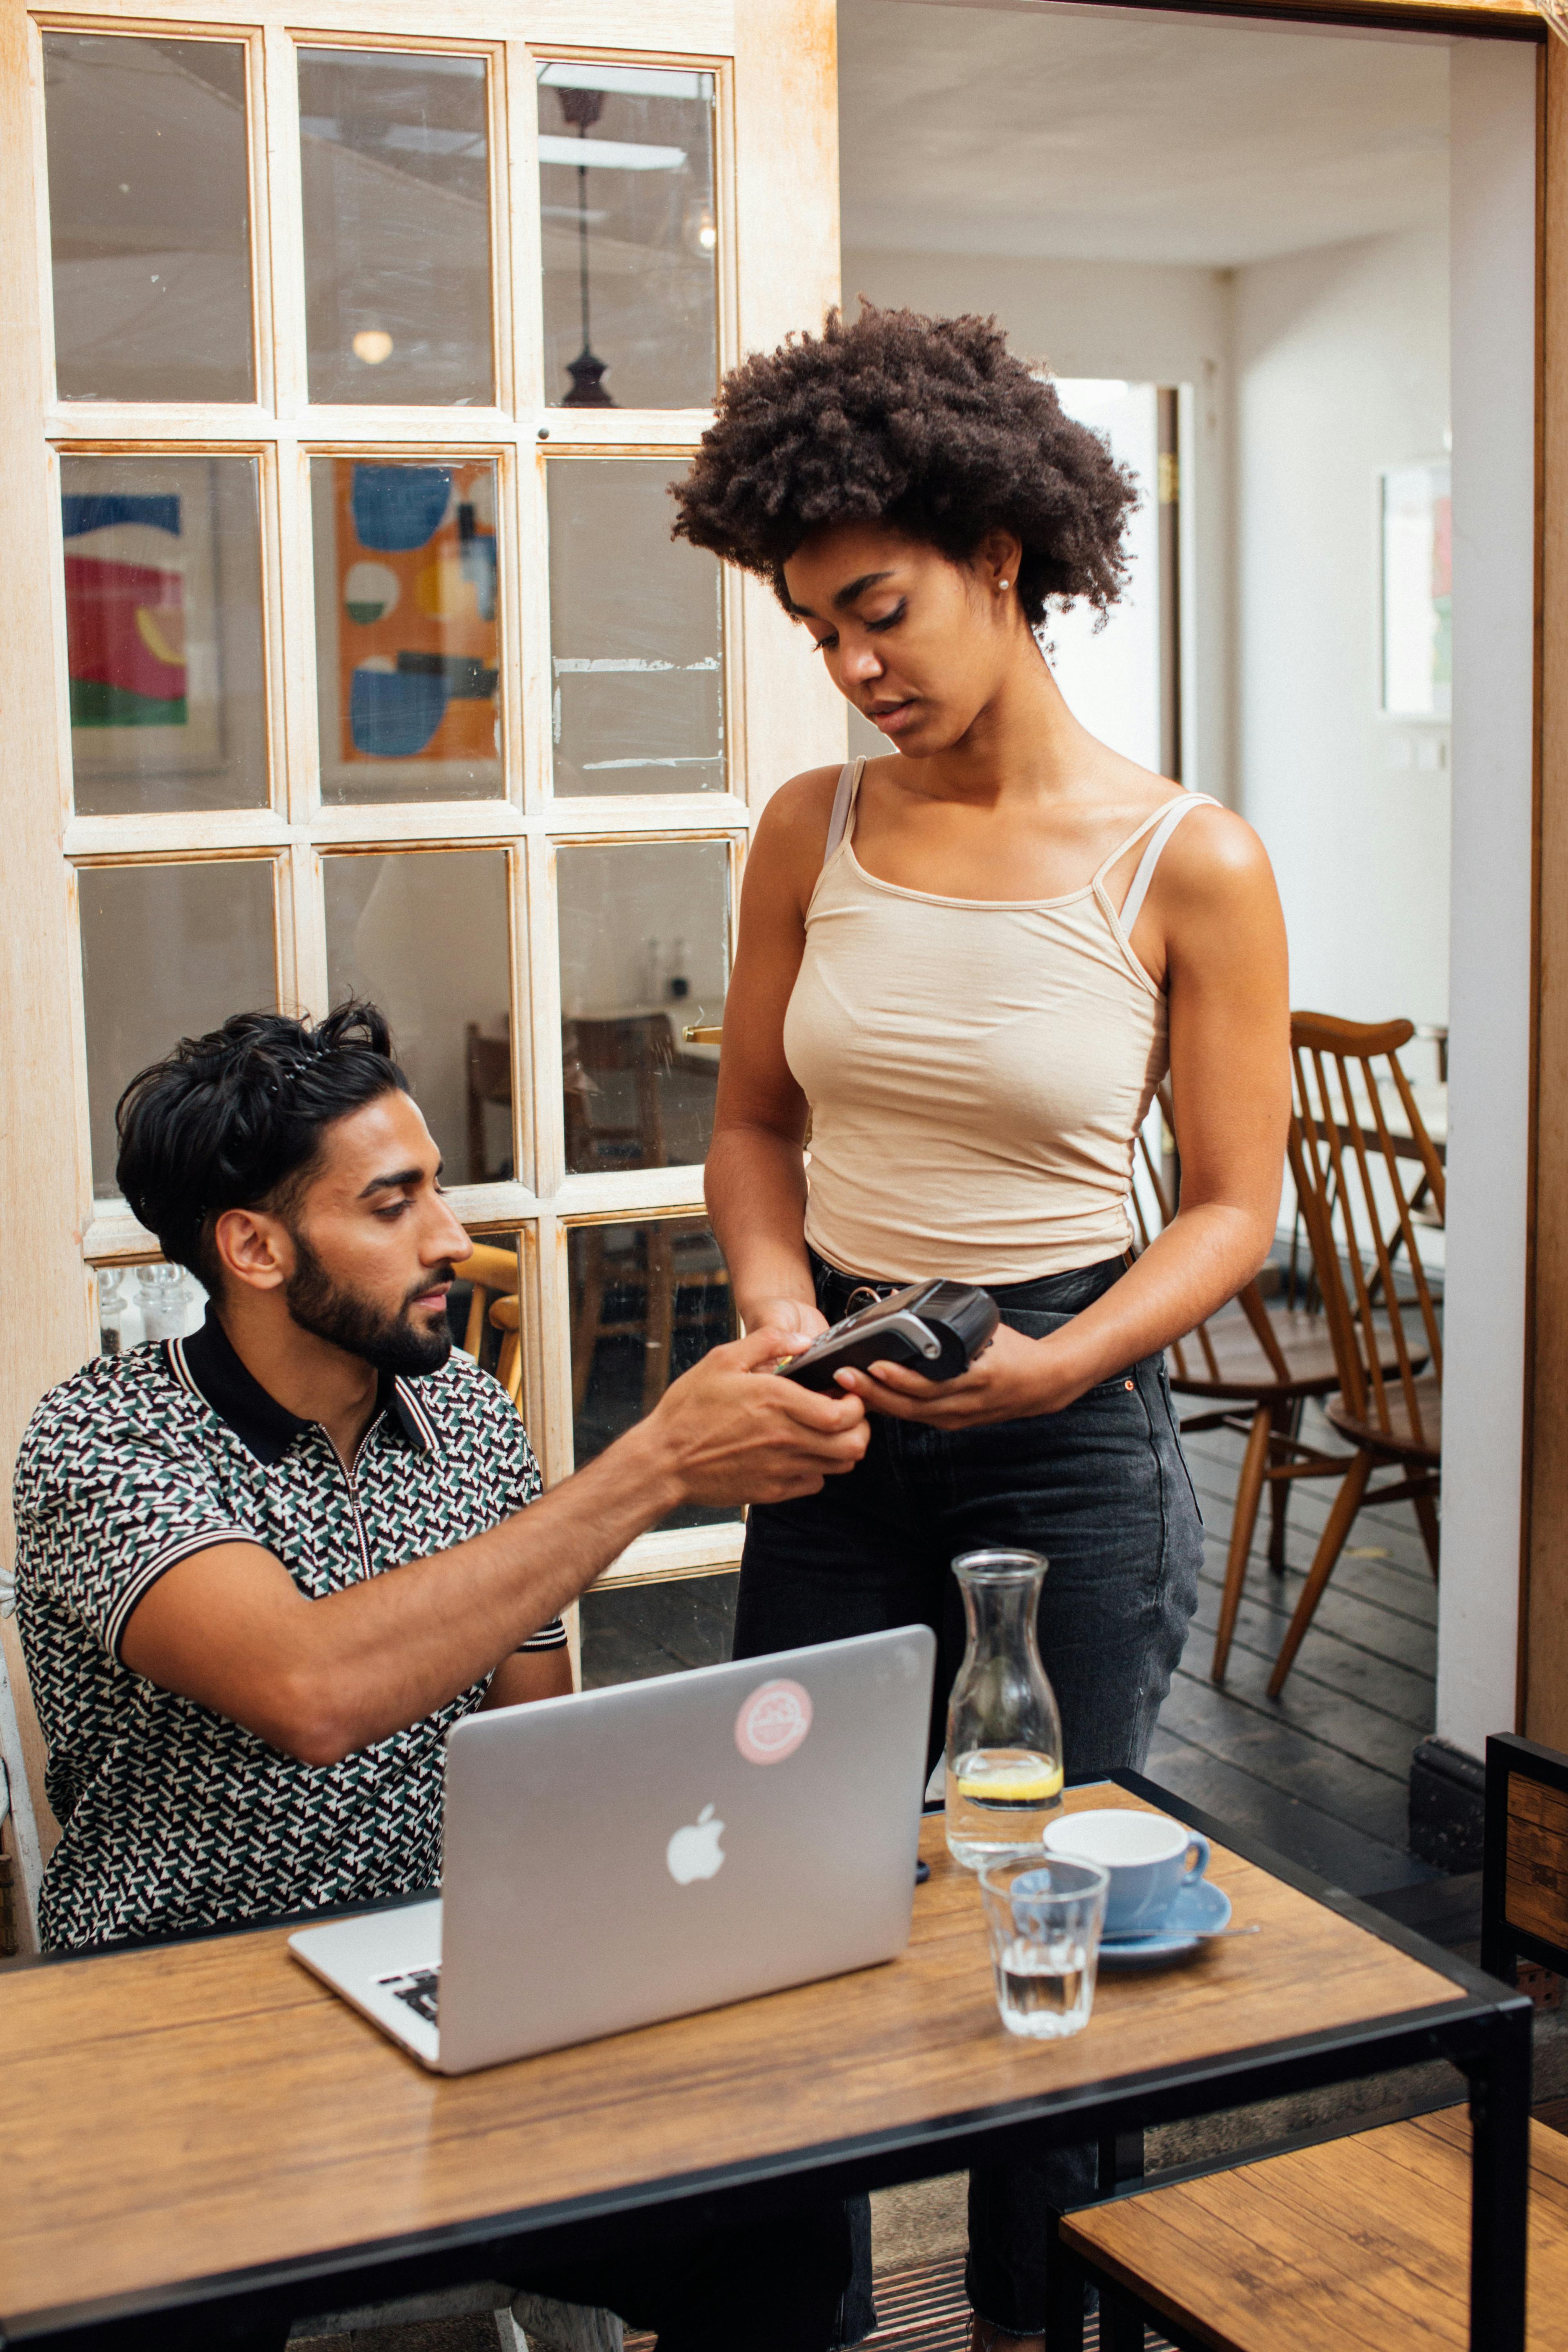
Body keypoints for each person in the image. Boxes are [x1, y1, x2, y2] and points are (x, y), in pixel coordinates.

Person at [672, 304, 1291, 2352]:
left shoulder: (1185, 859)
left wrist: (1065, 1360)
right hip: (840, 1403)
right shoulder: (809, 831)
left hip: (1066, 1407)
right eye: (820, 631)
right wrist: (780, 1314)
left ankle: (1037, 2318)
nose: (855, 668)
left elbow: (1230, 1209)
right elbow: (754, 1126)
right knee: (796, 1887)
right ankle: (799, 2318)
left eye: (880, 611)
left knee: (1072, 1905)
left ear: (1001, 557)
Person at [12, 1000, 870, 2352]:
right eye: (395, 1205)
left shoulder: (463, 1414)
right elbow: (314, 1692)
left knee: (777, 2222)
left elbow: (543, 1757)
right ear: (252, 1245)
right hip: (183, 2037)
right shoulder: (106, 1442)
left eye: (440, 1195)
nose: (453, 1241)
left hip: (450, 2003)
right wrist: (652, 1464)